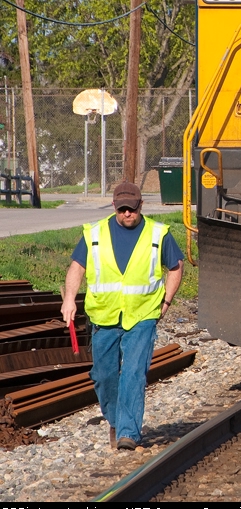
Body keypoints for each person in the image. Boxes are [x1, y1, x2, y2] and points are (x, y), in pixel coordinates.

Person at [61, 181, 184, 451]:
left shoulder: (158, 233)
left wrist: (166, 301)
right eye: (122, 209)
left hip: (143, 315)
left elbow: (176, 267)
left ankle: (128, 432)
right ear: (115, 207)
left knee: (133, 372)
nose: (127, 214)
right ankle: (116, 421)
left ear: (141, 206)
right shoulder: (94, 233)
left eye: (132, 208)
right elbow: (77, 267)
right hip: (104, 316)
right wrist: (69, 299)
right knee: (103, 376)